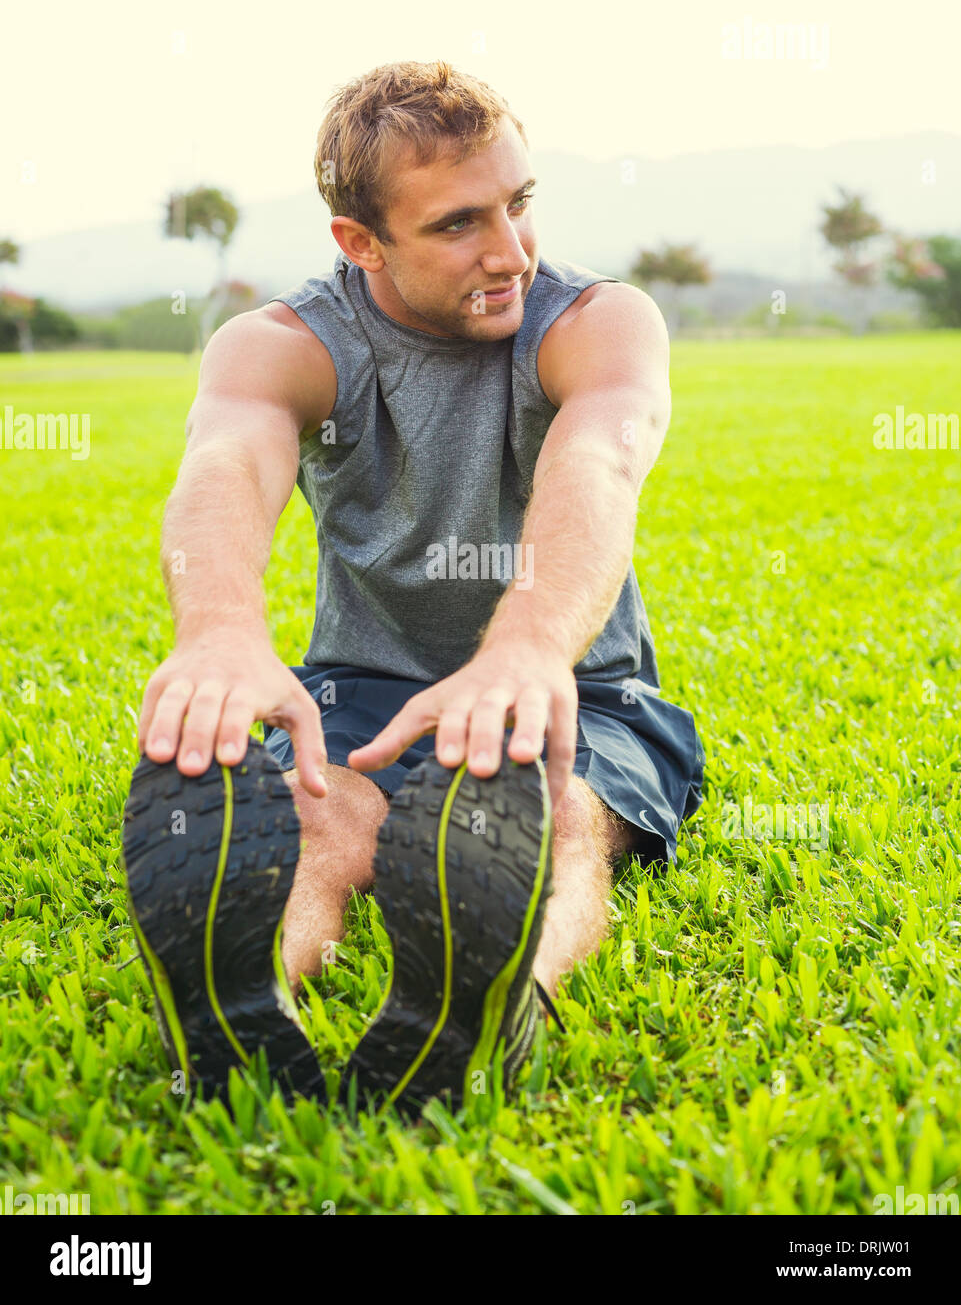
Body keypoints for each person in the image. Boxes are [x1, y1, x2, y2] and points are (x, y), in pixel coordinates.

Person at [125, 59, 705, 1114]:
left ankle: (497, 1007)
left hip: (582, 687)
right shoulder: (284, 345)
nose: (510, 251)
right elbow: (227, 462)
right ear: (361, 242)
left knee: (559, 820)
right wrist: (218, 631)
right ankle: (240, 1012)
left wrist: (526, 647)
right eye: (457, 224)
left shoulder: (597, 321)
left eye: (518, 203)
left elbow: (598, 466)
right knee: (321, 822)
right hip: (364, 688)